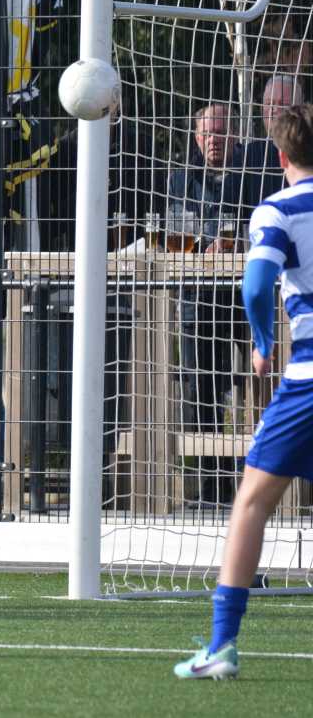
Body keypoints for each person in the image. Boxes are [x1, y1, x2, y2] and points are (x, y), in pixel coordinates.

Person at [173, 104, 313, 680]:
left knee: (252, 500)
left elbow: (256, 284)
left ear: (280, 157)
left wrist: (260, 341)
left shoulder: (276, 209)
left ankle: (222, 645)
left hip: (307, 378)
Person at [170, 104, 253, 506]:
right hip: (198, 298)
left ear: (235, 136)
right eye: (207, 135)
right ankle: (210, 489)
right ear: (196, 138)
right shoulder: (181, 179)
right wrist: (206, 245)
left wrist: (237, 242)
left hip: (247, 296)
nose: (214, 142)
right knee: (200, 390)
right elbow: (173, 228)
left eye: (221, 134)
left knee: (263, 383)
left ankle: (255, 483)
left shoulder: (253, 173)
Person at [238, 75, 305, 204]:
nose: (274, 110)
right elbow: (227, 213)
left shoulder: (308, 152)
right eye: (269, 103)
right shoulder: (246, 157)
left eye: (283, 104)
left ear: (300, 108)